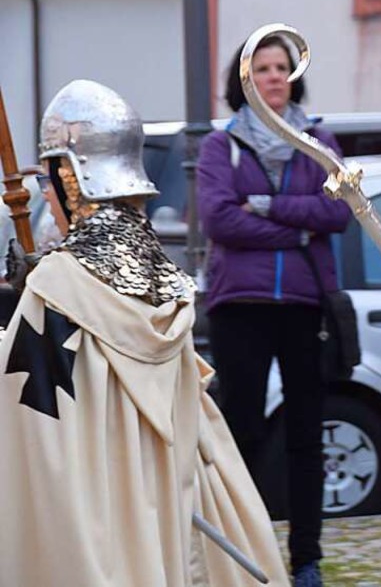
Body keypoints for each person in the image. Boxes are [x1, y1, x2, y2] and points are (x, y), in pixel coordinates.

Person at [0, 80, 289, 585]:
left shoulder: (59, 286)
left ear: (71, 177)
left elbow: (26, 410)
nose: (43, 190)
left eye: (48, 175)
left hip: (90, 498)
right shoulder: (167, 281)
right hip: (159, 494)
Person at [197, 38, 351, 587]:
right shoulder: (222, 146)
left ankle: (306, 560)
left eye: (282, 67)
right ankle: (243, 552)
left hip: (305, 306)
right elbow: (219, 221)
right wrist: (298, 229)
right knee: (242, 431)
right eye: (261, 68)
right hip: (240, 306)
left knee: (306, 436)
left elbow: (338, 211)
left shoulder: (319, 142)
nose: (273, 77)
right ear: (244, 79)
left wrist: (264, 206)